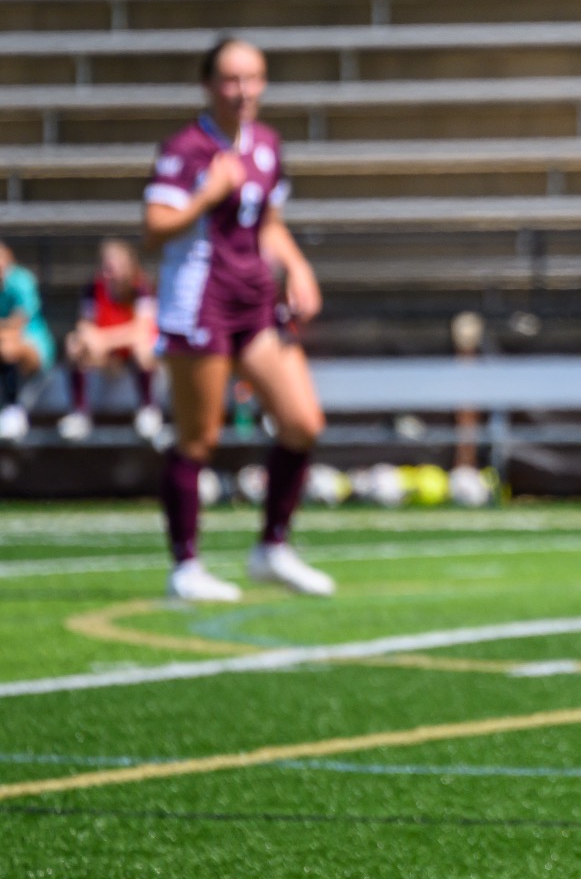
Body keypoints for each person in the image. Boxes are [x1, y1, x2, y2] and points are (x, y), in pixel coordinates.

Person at [144, 36, 335, 603]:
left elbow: (269, 223)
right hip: (199, 299)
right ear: (208, 85)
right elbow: (154, 228)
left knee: (303, 423)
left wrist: (298, 268)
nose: (242, 90)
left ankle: (272, 547)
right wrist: (205, 197)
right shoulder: (186, 149)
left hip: (253, 300)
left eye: (252, 78)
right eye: (231, 79)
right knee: (199, 437)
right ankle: (186, 565)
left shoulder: (266, 145)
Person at [59, 237, 163, 442]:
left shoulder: (141, 288)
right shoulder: (92, 288)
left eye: (113, 266)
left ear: (127, 266)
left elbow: (142, 329)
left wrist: (104, 340)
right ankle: (79, 412)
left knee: (143, 347)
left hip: (133, 352)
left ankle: (148, 408)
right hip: (106, 354)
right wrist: (90, 339)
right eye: (105, 266)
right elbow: (85, 325)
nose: (108, 272)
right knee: (74, 344)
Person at [0, 239, 55, 443]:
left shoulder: (21, 281)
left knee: (6, 345)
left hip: (34, 348)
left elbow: (18, 322)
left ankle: (13, 408)